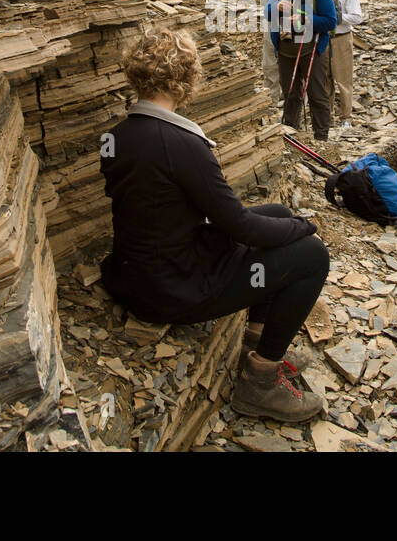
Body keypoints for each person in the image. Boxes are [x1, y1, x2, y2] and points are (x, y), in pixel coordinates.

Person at [99, 30, 329, 422]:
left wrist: (288, 224)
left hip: (136, 273)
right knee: (312, 256)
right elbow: (239, 226)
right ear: (186, 77)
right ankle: (260, 383)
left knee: (275, 213)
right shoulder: (182, 143)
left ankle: (257, 339)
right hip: (172, 288)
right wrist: (306, 228)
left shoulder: (116, 136)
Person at [266, 0, 337, 140]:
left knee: (316, 92)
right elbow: (267, 12)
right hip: (287, 49)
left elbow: (331, 21)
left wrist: (305, 18)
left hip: (311, 49)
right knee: (290, 91)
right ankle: (290, 129)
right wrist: (276, 8)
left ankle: (321, 136)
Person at [324, 0, 363, 129]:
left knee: (343, 79)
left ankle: (346, 116)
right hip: (326, 38)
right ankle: (328, 115)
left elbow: (356, 17)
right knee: (326, 78)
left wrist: (337, 18)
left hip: (341, 38)